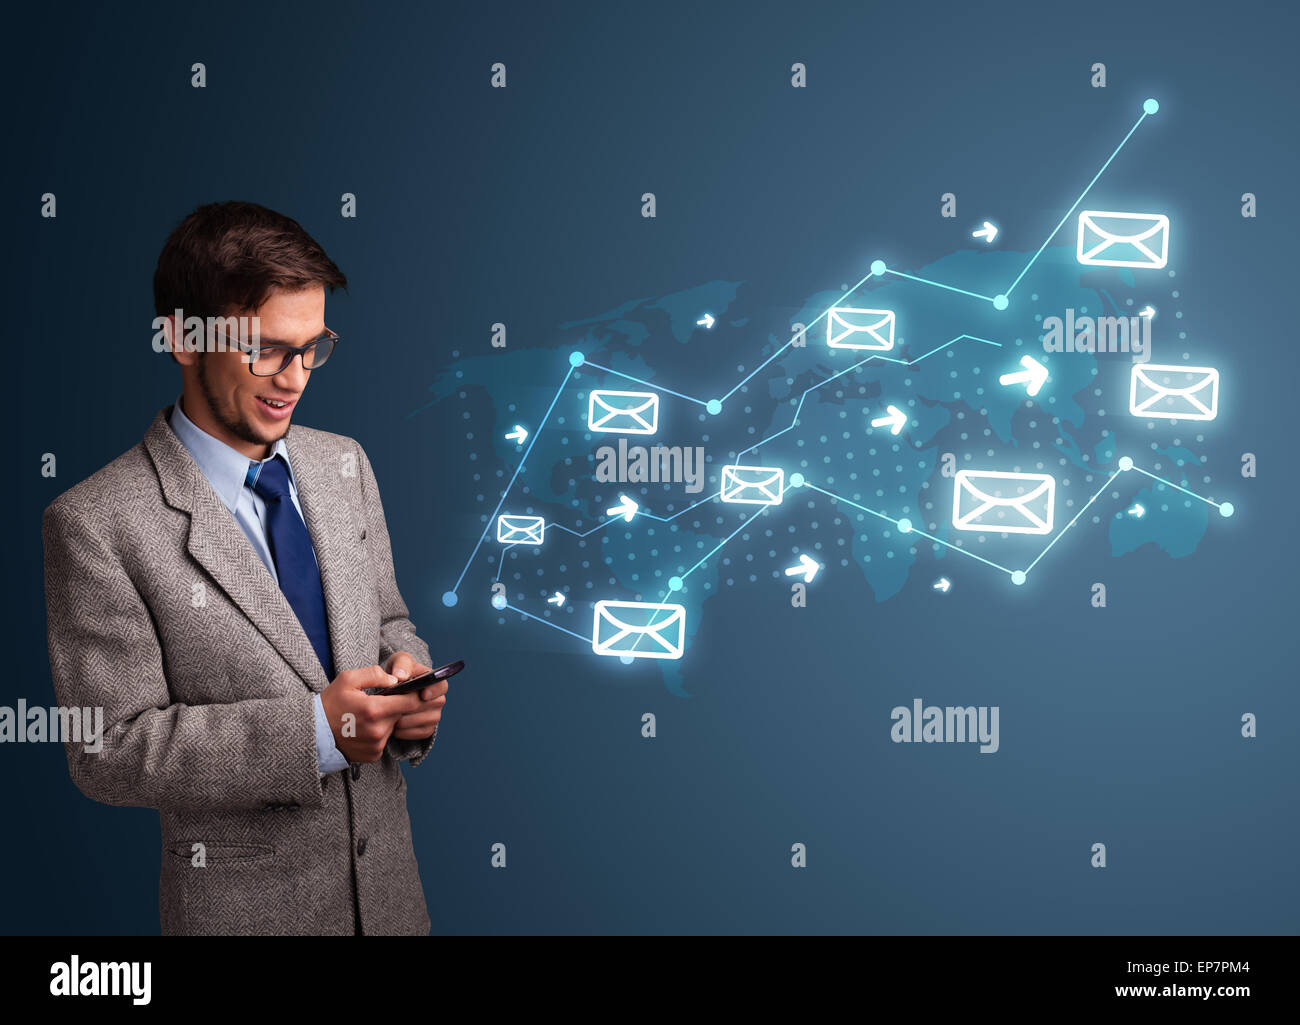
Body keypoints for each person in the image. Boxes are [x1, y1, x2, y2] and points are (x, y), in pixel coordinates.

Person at [41, 201, 446, 935]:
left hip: (394, 908)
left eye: (312, 348)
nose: (294, 379)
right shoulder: (96, 522)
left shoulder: (346, 463)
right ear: (181, 338)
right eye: (265, 349)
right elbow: (106, 748)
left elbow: (388, 619)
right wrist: (315, 732)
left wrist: (407, 683)